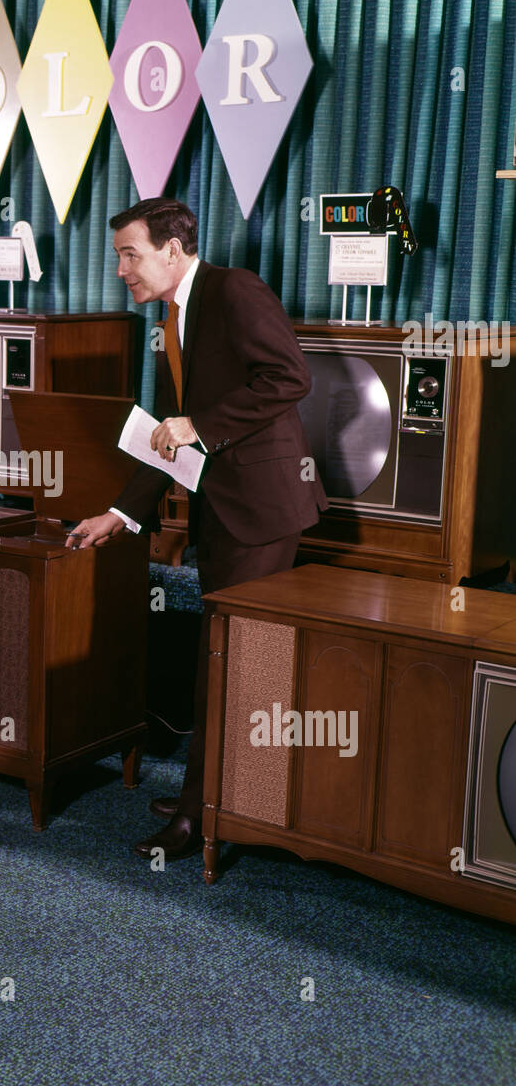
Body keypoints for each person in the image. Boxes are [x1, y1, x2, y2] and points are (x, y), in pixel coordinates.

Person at [67, 197, 326, 860]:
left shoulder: (234, 290)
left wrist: (201, 426)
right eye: (119, 255)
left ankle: (202, 816)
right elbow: (164, 433)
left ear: (173, 251)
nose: (121, 268)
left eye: (130, 253)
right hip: (227, 507)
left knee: (234, 664)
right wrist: (121, 513)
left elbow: (290, 377)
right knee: (225, 660)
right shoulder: (172, 319)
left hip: (263, 509)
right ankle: (209, 800)